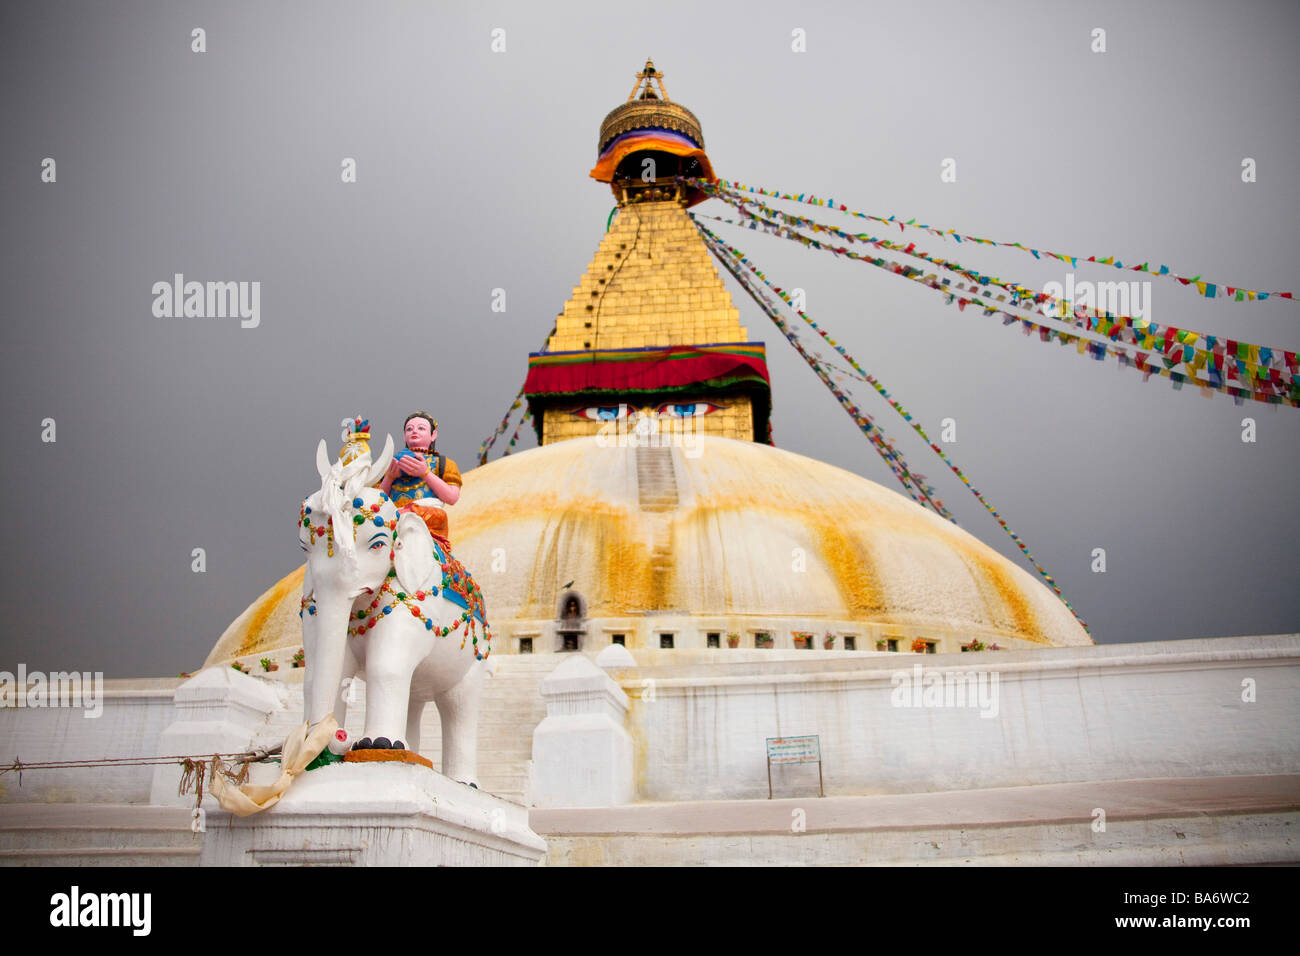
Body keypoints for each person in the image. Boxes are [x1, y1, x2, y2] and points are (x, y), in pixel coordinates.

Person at [380, 411, 462, 549]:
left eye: (421, 428)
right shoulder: (392, 463)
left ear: (433, 435)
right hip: (395, 518)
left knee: (437, 516)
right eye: (409, 429)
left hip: (427, 515)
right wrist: (390, 477)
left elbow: (452, 497)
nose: (414, 432)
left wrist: (425, 473)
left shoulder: (443, 463)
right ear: (404, 436)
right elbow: (378, 500)